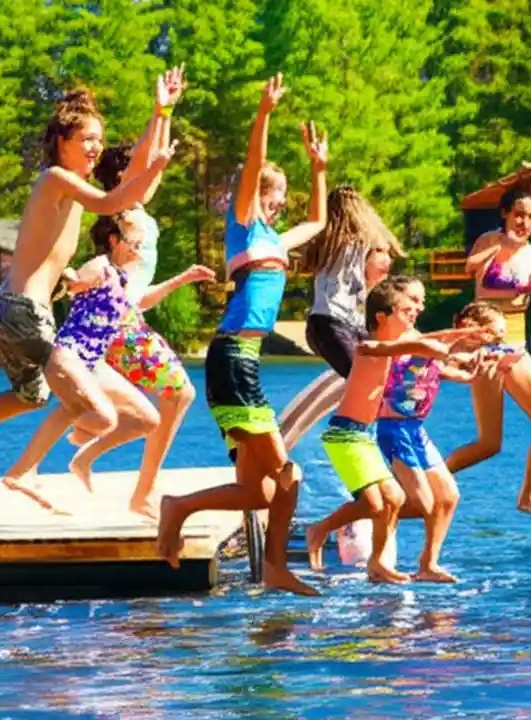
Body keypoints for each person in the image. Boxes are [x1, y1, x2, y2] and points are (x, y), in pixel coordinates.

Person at [0, 79, 178, 486]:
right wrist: (157, 164)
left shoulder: (70, 190)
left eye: (100, 140)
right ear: (63, 140)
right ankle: (34, 466)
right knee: (100, 412)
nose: (97, 147)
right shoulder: (56, 179)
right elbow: (114, 200)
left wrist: (161, 114)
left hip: (10, 310)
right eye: (88, 139)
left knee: (32, 396)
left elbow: (132, 182)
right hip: (21, 312)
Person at [155, 73, 326, 595]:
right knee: (288, 476)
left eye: (281, 200)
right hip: (233, 356)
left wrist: (319, 169)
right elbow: (252, 166)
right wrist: (264, 113)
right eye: (273, 197)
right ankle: (274, 566)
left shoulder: (275, 237)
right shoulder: (246, 224)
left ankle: (180, 506)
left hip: (243, 359)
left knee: (258, 492)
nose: (278, 206)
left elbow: (317, 222)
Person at [0, 214, 213, 516]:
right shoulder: (100, 266)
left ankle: (80, 451)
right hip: (71, 356)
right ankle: (26, 468)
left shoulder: (121, 278)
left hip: (93, 364)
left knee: (148, 421)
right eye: (134, 242)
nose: (139, 249)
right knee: (96, 416)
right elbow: (73, 282)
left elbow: (138, 304)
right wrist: (63, 275)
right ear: (114, 241)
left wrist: (182, 279)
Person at [306, 282, 502, 583]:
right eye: (409, 307)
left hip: (384, 432)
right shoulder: (379, 344)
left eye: (418, 306)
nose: (417, 312)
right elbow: (379, 348)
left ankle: (418, 564)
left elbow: (428, 357)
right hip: (365, 432)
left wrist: (461, 356)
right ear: (386, 315)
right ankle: (337, 535)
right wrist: (435, 344)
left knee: (441, 497)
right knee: (404, 502)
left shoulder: (404, 341)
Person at [444, 186, 531, 525]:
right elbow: (470, 268)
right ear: (505, 215)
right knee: (489, 443)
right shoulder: (489, 241)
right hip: (485, 345)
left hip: (517, 345)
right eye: (518, 215)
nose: (524, 222)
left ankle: (527, 494)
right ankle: (436, 476)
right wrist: (502, 247)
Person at [278, 186, 404, 451]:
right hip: (331, 324)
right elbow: (381, 253)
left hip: (334, 324)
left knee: (367, 375)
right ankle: (328, 438)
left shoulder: (331, 243)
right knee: (363, 380)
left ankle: (285, 435)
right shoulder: (350, 242)